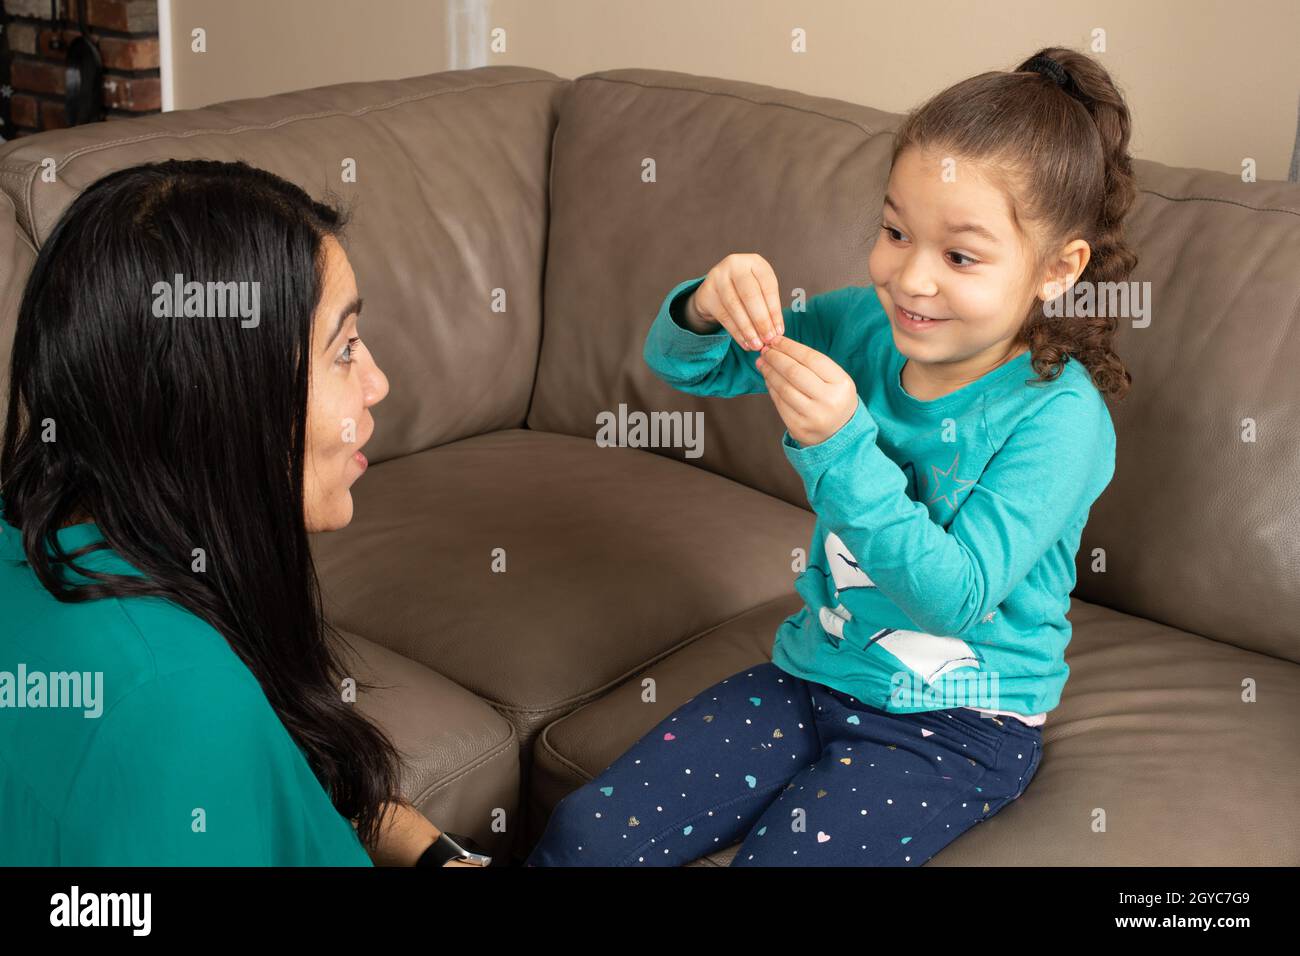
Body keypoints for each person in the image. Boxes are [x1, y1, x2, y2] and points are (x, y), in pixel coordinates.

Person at [528, 46, 1133, 866]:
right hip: (812, 672)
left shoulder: (1060, 419)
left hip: (960, 724)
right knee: (585, 834)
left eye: (959, 256)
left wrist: (841, 444)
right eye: (894, 232)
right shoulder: (858, 327)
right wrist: (708, 306)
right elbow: (688, 364)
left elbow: (953, 597)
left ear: (1057, 270)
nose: (909, 279)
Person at [0, 159, 481, 866]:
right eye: (345, 349)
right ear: (221, 403)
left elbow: (291, 783)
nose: (377, 382)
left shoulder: (46, 538)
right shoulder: (181, 709)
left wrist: (437, 856)